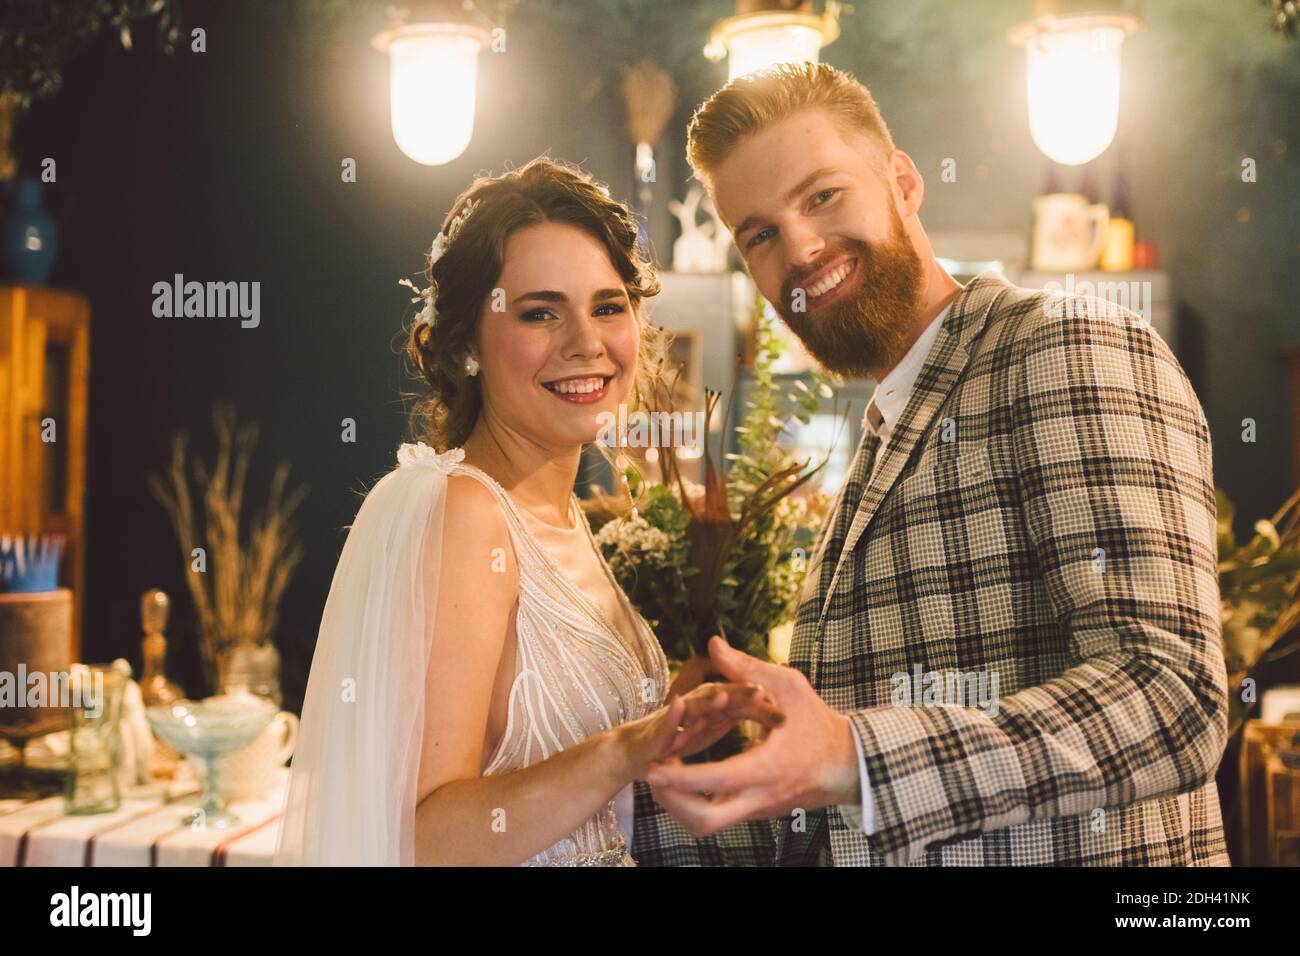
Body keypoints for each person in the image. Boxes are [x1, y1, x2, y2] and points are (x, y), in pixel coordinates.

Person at [633, 62, 1230, 867]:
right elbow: (843, 821)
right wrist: (641, 779)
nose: (802, 249)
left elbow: (1172, 699)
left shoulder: (1063, 344)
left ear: (904, 183)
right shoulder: (888, 431)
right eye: (761, 234)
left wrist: (854, 756)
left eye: (823, 196)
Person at [273, 156, 783, 866]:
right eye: (540, 312)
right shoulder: (467, 514)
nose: (586, 343)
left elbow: (537, 751)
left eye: (607, 306)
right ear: (465, 345)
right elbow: (422, 840)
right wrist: (626, 750)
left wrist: (681, 709)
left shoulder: (565, 513)